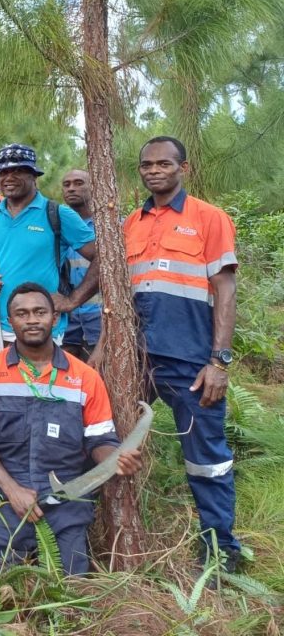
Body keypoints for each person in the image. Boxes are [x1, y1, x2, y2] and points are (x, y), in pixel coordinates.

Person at [0, 283, 142, 575]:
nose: (32, 319)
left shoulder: (84, 376)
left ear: (54, 318)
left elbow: (100, 440)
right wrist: (12, 489)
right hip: (5, 496)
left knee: (72, 586)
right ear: (11, 321)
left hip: (66, 499)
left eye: (39, 312)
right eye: (22, 313)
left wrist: (116, 458)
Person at [123, 136, 240, 570]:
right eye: (146, 164)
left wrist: (219, 362)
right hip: (135, 358)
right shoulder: (130, 223)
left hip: (191, 361)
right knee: (110, 439)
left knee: (205, 458)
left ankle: (220, 550)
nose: (154, 170)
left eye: (164, 164)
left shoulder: (209, 218)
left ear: (182, 168)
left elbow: (225, 292)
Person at [0, 143, 96, 381]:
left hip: (38, 323)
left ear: (34, 176)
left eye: (17, 171)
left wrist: (73, 300)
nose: (8, 177)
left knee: (34, 392)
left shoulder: (57, 214)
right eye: (2, 172)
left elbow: (102, 257)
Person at [60, 169, 102, 360]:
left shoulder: (111, 227)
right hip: (66, 321)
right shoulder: (56, 227)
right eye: (66, 184)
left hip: (99, 319)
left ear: (93, 186)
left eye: (79, 183)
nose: (71, 188)